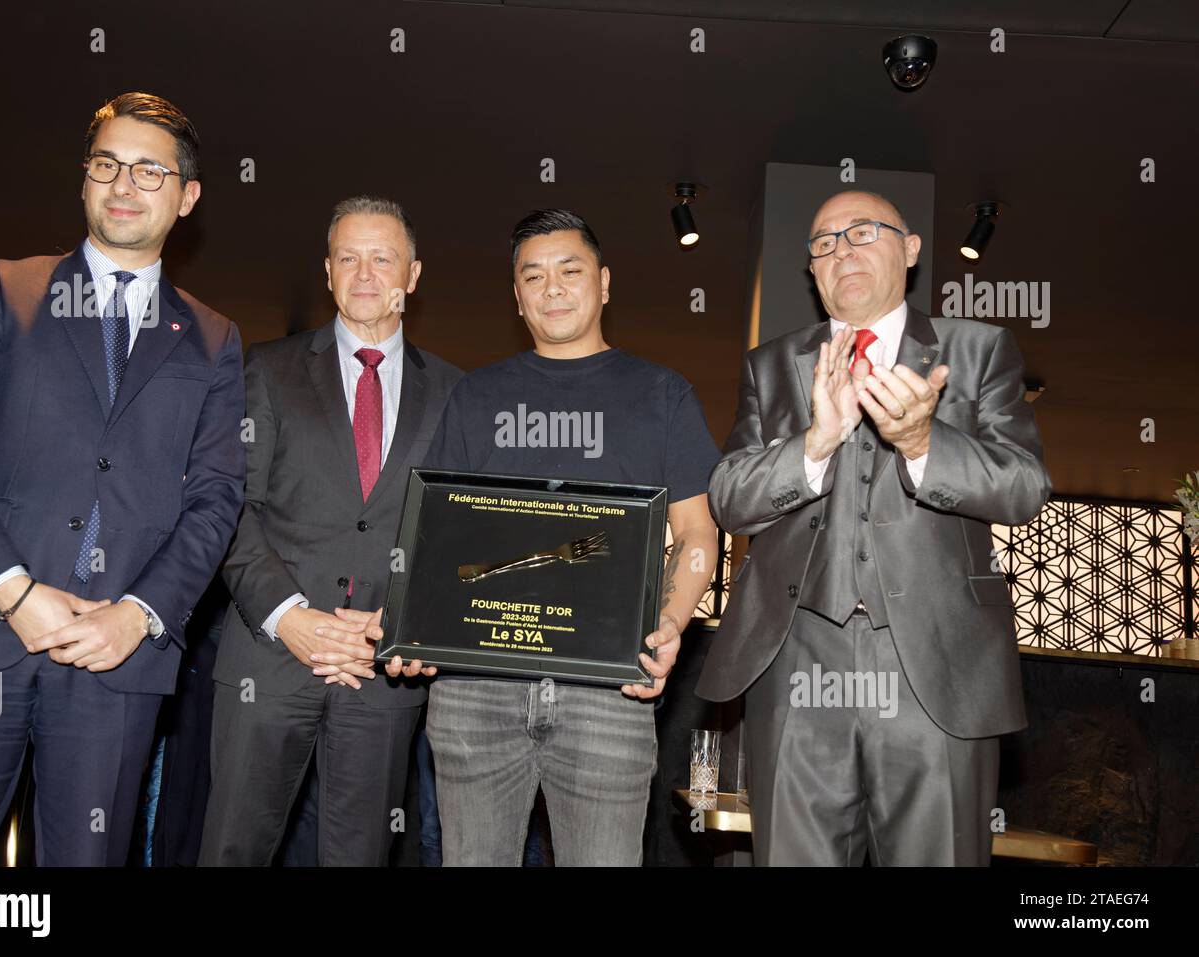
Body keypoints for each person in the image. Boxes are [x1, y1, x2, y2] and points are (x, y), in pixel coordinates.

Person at [0, 91, 245, 865]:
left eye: (150, 171)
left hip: (115, 663)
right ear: (84, 182)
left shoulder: (215, 341)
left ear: (187, 197)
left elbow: (217, 499)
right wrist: (15, 591)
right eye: (107, 165)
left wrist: (139, 615)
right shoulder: (1, 288)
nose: (125, 185)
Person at [696, 190, 1051, 865]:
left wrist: (923, 442)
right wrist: (813, 446)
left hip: (936, 668)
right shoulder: (771, 365)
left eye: (863, 232)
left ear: (910, 249)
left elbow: (1024, 487)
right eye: (823, 242)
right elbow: (729, 498)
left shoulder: (976, 351)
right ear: (811, 269)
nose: (842, 250)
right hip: (796, 659)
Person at [415, 209, 721, 866]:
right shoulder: (475, 397)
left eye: (569, 270)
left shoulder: (662, 396)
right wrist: (418, 623)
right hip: (476, 688)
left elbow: (699, 533)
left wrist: (669, 621)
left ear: (605, 283)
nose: (552, 287)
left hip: (608, 691)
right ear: (517, 297)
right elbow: (438, 538)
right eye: (534, 275)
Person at [199, 196, 462, 866]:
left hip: (381, 668)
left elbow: (455, 534)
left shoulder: (460, 395)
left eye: (384, 258)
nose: (366, 273)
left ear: (413, 274)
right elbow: (228, 507)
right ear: (327, 270)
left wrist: (405, 623)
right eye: (349, 257)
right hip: (267, 658)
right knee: (233, 848)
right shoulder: (264, 369)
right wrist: (292, 618)